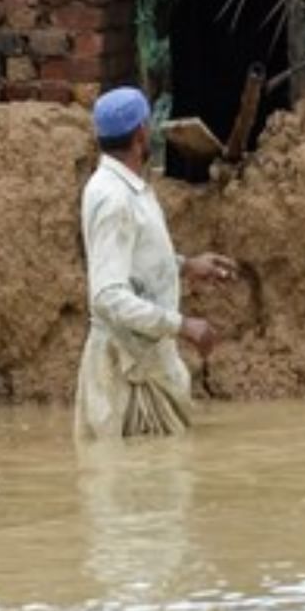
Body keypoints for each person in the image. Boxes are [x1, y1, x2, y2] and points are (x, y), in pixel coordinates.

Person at [75, 85, 239, 442]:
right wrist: (182, 325)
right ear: (140, 134)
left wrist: (186, 265)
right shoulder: (114, 198)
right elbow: (108, 296)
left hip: (145, 362)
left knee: (156, 484)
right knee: (141, 485)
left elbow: (132, 260)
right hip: (127, 374)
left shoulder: (121, 186)